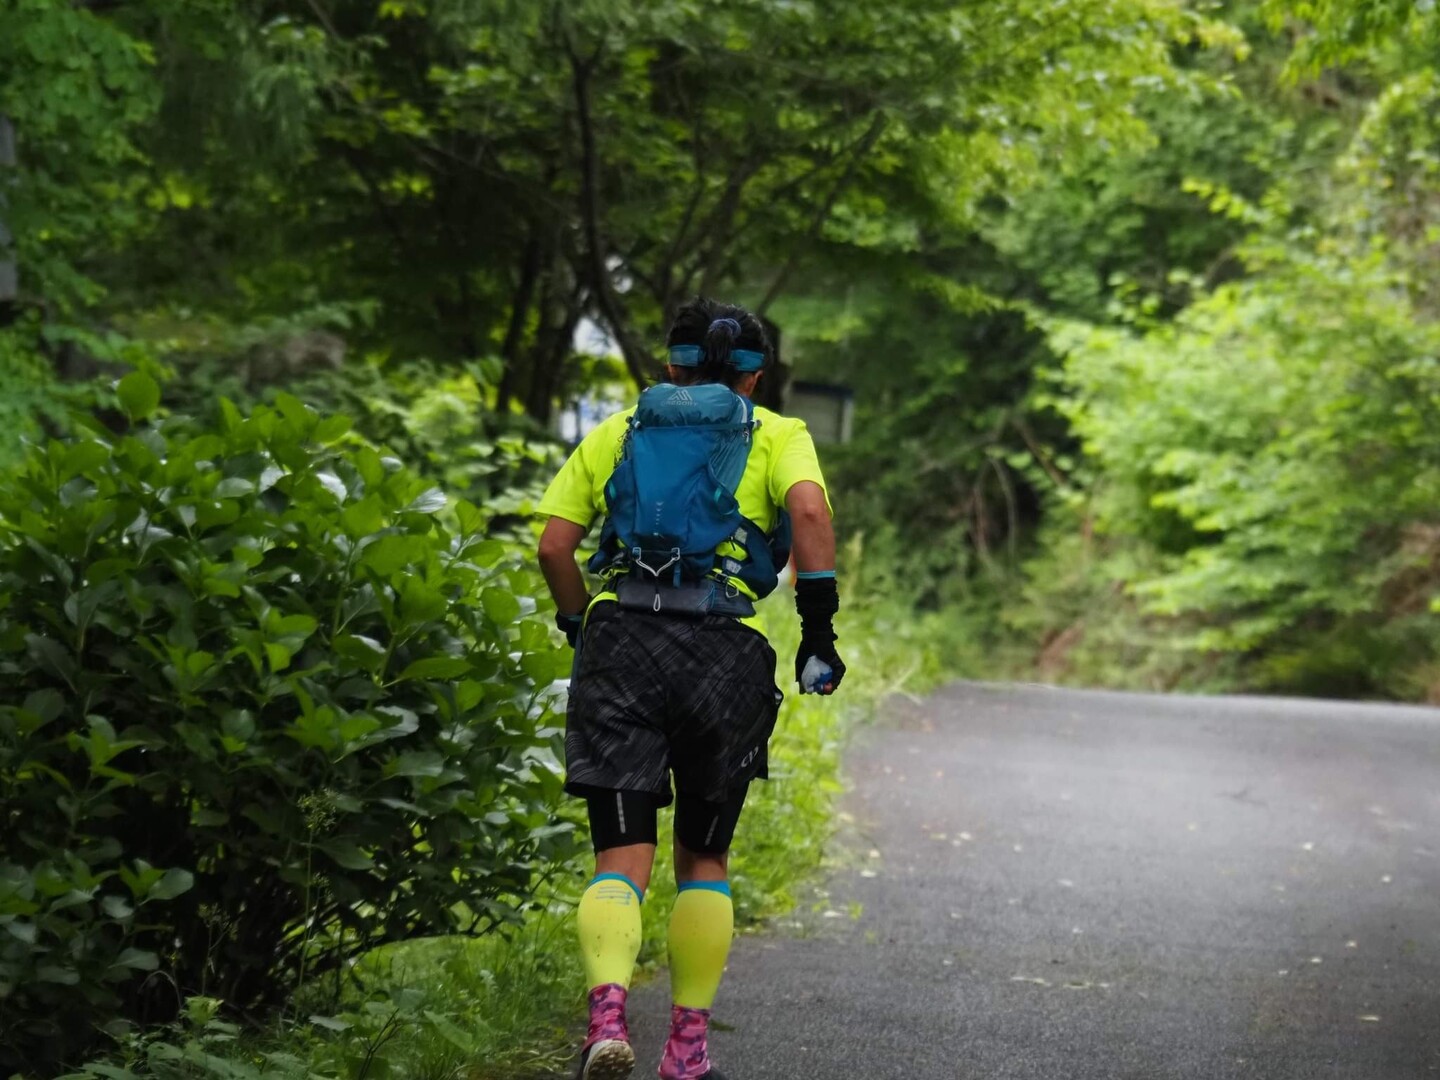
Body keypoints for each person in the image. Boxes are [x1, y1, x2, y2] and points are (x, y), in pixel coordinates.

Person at [535, 297, 846, 1080]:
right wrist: (817, 631)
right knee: (705, 855)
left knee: (619, 854)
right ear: (757, 374)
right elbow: (807, 509)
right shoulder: (778, 432)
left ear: (669, 363)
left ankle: (606, 1020)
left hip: (620, 643)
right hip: (722, 651)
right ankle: (686, 1051)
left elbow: (554, 545)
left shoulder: (620, 429)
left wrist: (580, 624)